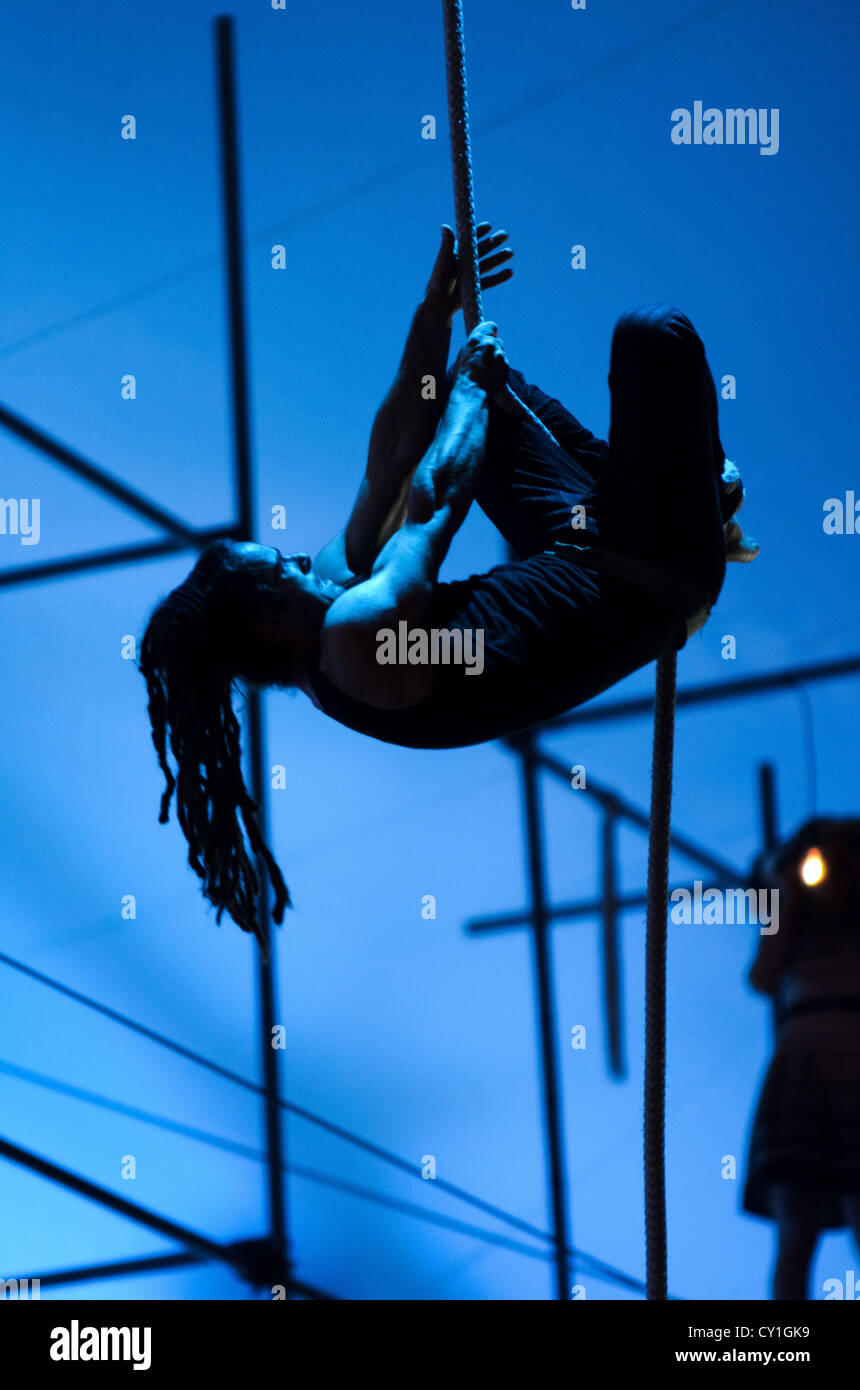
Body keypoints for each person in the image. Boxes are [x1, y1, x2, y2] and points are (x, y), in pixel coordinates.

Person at [140, 221, 757, 950]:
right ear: (272, 615)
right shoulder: (355, 642)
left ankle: (660, 483)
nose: (304, 559)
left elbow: (394, 453)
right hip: (655, 575)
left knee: (479, 405)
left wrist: (433, 313)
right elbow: (434, 502)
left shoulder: (331, 603)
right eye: (286, 564)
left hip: (585, 535)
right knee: (652, 335)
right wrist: (463, 384)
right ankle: (698, 498)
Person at [744, 819, 860, 1299]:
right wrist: (786, 901)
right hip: (804, 1061)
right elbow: (762, 977)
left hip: (852, 1056)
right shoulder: (790, 920)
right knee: (796, 1224)